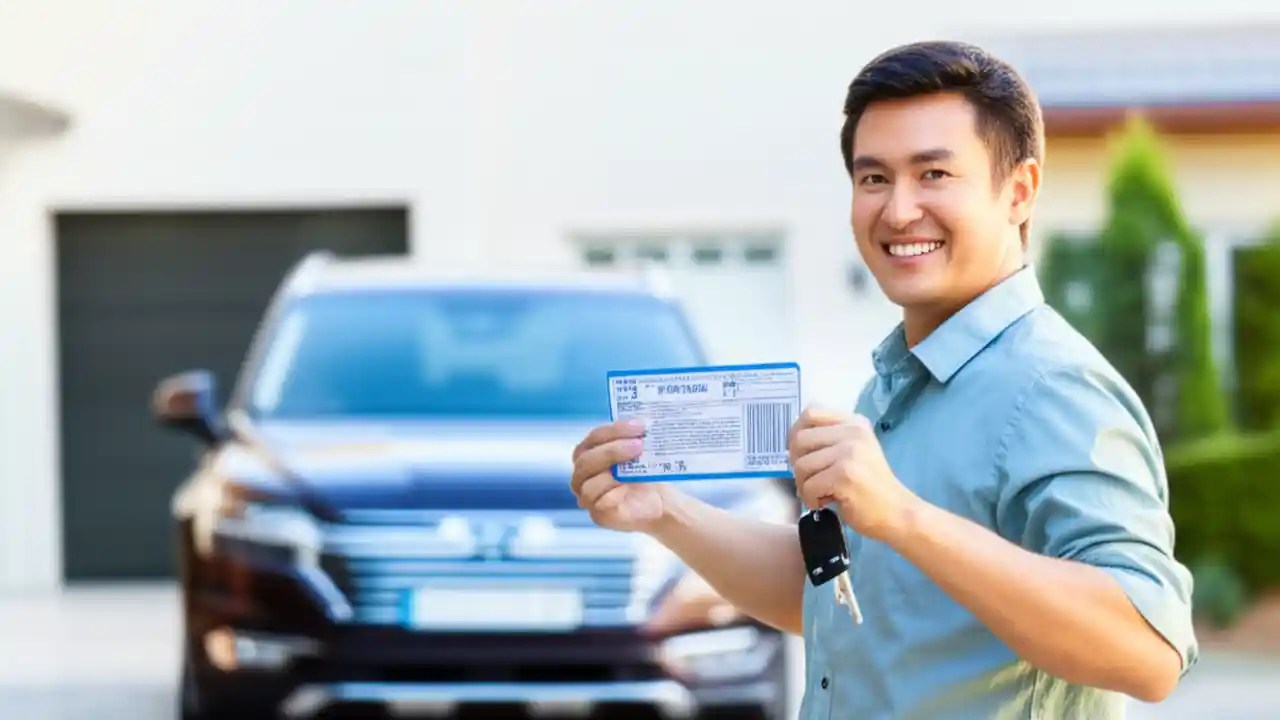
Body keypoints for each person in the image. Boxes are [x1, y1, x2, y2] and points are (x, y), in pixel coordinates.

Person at [570, 40, 1196, 718]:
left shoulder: (1054, 388)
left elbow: (1148, 648)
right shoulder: (904, 382)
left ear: (1019, 191)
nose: (898, 211)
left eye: (933, 174)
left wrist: (901, 515)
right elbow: (843, 602)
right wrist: (665, 512)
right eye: (874, 179)